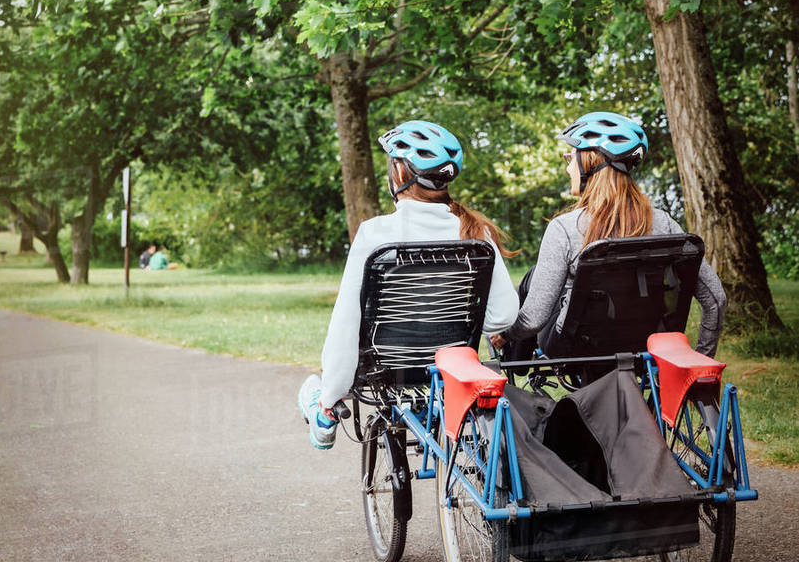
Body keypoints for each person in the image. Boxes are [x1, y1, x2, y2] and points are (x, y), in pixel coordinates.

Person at [298, 119, 520, 450]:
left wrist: (331, 397)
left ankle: (321, 413)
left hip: (389, 366)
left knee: (310, 390)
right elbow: (503, 316)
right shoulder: (474, 233)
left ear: (400, 173)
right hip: (452, 364)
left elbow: (347, 323)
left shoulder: (375, 234)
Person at [491, 111, 726, 360]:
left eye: (572, 157)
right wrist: (703, 359)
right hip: (646, 341)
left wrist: (506, 334)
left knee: (533, 277)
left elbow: (534, 319)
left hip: (575, 347)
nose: (569, 166)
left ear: (590, 161)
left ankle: (515, 366)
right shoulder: (665, 223)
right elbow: (716, 299)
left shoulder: (565, 228)